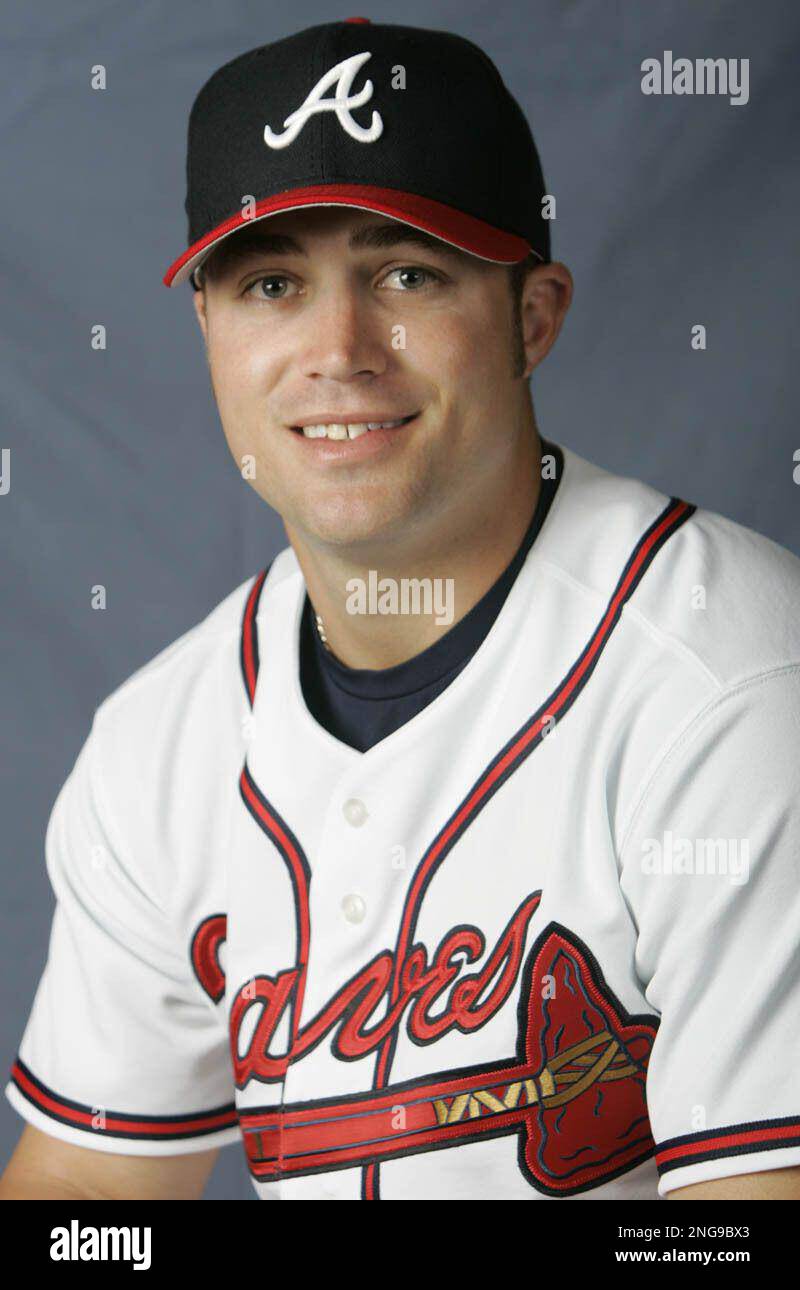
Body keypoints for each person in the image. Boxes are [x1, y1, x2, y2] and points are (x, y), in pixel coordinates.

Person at [2, 18, 799, 1202]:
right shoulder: (154, 746)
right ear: (210, 331)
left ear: (532, 318)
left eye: (406, 275)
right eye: (272, 284)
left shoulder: (727, 687)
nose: (338, 350)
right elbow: (87, 1205)